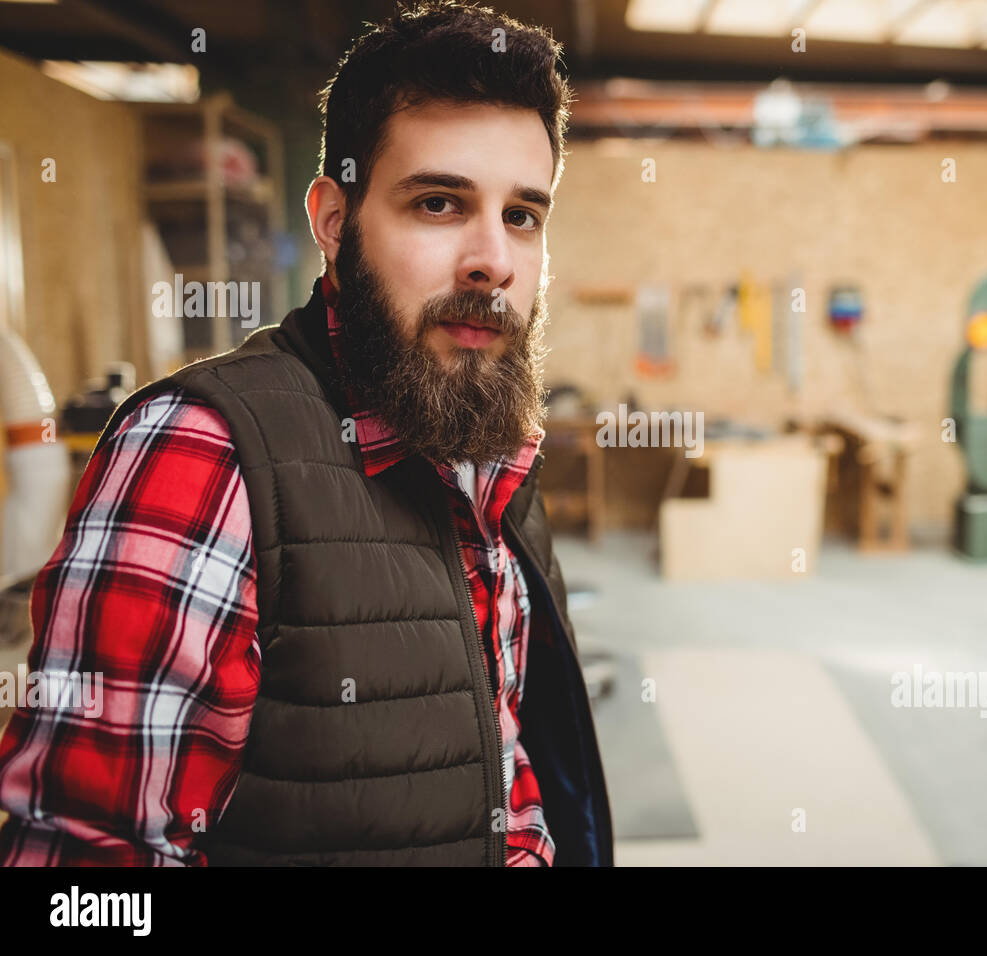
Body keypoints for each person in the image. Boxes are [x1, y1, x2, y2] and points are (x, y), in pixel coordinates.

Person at [0, 0, 612, 867]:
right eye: (439, 203)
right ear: (332, 221)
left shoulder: (492, 444)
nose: (495, 260)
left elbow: (501, 771)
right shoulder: (201, 455)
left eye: (522, 215)